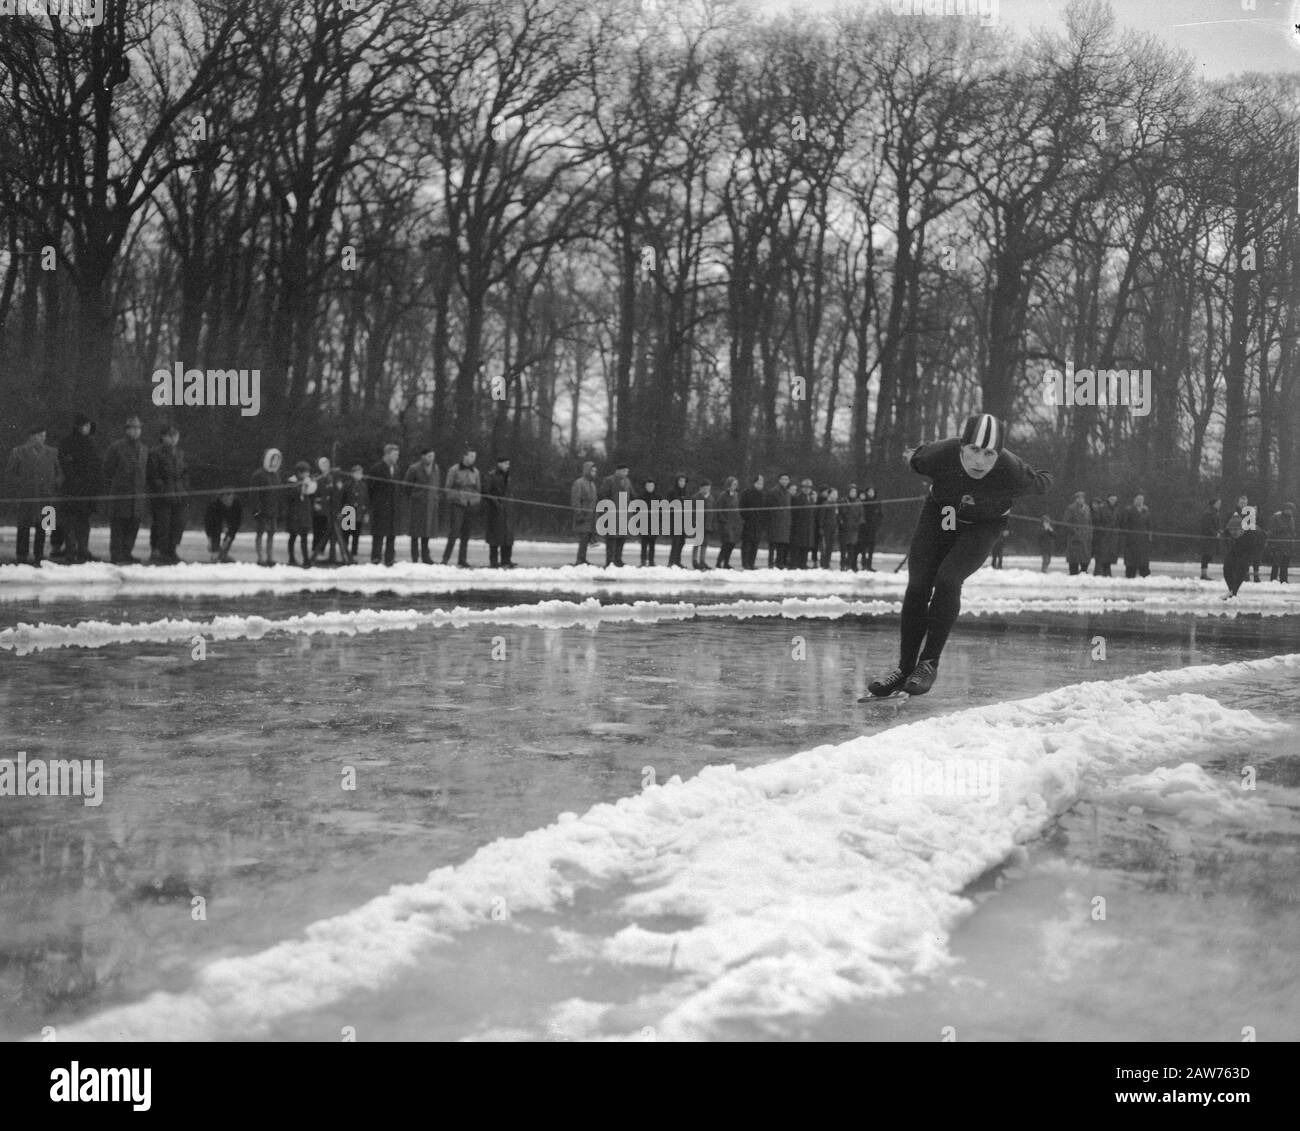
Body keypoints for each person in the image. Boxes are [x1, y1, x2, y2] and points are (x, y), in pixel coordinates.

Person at [865, 413, 1051, 699]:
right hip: (940, 515)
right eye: (973, 450)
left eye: (989, 454)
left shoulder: (1012, 471)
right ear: (961, 447)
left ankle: (928, 664)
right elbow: (914, 457)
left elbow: (1044, 480)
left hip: (983, 526)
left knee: (949, 579)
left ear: (998, 454)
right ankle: (904, 669)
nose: (979, 461)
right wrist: (912, 454)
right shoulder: (938, 454)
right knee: (918, 585)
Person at [6, 424, 62, 565]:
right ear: (32, 436)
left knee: (44, 526)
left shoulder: (52, 452)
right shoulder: (18, 452)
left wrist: (55, 484)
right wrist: (22, 485)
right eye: (39, 435)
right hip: (26, 496)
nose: (42, 439)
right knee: (23, 526)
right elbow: (10, 474)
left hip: (46, 495)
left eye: (44, 436)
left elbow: (60, 473)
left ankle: (39, 554)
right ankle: (21, 555)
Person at [101, 416, 148, 565]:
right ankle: (116, 555)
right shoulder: (116, 448)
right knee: (118, 526)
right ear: (127, 430)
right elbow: (107, 470)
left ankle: (127, 553)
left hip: (137, 494)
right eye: (133, 428)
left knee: (133, 526)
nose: (136, 431)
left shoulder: (144, 449)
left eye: (138, 428)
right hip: (121, 494)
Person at [57, 413, 101, 563]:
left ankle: (83, 549)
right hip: (72, 488)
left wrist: (94, 485)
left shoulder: (91, 443)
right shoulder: (67, 443)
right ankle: (71, 551)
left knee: (84, 521)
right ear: (79, 426)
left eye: (89, 425)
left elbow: (96, 466)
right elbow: (65, 465)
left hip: (87, 489)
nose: (88, 428)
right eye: (86, 425)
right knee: (70, 521)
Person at [146, 425, 187, 564]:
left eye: (176, 436)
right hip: (162, 496)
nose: (174, 439)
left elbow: (184, 473)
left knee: (177, 524)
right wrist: (163, 490)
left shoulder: (180, 453)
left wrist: (183, 488)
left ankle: (171, 550)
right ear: (163, 437)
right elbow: (153, 475)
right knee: (161, 524)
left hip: (178, 494)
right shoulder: (155, 453)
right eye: (170, 436)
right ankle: (158, 551)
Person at [442, 447, 480, 567]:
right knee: (454, 531)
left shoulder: (476, 472)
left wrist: (475, 500)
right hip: (458, 504)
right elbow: (447, 488)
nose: (473, 459)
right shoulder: (454, 469)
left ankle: (462, 559)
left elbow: (478, 489)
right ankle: (445, 558)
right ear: (464, 456)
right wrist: (456, 497)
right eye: (470, 456)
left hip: (470, 504)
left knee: (466, 533)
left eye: (474, 457)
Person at [403, 446, 440, 564]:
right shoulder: (414, 468)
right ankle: (414, 557)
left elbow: (437, 485)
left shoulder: (436, 468)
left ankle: (426, 556)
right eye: (429, 456)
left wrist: (435, 498)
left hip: (430, 504)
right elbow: (406, 486)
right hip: (417, 505)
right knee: (415, 532)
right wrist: (415, 496)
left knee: (427, 532)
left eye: (433, 456)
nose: (431, 459)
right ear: (423, 457)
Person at [1223, 495, 1264, 599]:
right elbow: (1227, 532)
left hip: (1252, 546)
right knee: (1227, 567)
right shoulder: (1233, 520)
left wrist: (1254, 556)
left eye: (1236, 532)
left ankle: (1234, 591)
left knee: (1241, 568)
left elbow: (1259, 541)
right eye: (1232, 532)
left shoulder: (1253, 532)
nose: (1233, 533)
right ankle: (1232, 591)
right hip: (1238, 545)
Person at [251, 448, 285, 566]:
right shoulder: (258, 475)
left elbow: (279, 494)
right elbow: (254, 494)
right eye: (273, 459)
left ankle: (270, 557)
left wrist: (280, 509)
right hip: (262, 510)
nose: (275, 462)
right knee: (260, 533)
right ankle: (260, 557)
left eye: (277, 460)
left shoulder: (276, 475)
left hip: (273, 510)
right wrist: (257, 509)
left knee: (271, 533)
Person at [369, 444, 401, 566]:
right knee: (379, 533)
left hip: (393, 506)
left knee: (391, 534)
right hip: (380, 506)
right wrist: (375, 504)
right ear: (387, 454)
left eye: (397, 455)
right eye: (394, 455)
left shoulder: (397, 469)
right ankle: (376, 557)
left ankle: (389, 558)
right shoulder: (376, 469)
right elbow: (371, 488)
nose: (397, 457)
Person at [598, 461, 633, 567]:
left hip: (624, 515)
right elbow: (603, 495)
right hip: (612, 514)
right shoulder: (609, 480)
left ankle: (618, 559)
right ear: (617, 471)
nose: (625, 473)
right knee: (611, 539)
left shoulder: (627, 481)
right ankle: (609, 561)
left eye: (627, 471)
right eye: (624, 471)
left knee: (621, 538)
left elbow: (632, 494)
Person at [482, 455, 514, 568]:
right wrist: (496, 503)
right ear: (499, 464)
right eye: (505, 464)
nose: (507, 466)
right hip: (495, 511)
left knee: (508, 536)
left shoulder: (508, 476)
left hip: (507, 510)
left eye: (508, 464)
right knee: (495, 538)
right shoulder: (491, 475)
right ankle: (494, 561)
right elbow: (485, 491)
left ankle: (506, 560)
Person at [285, 460, 317, 567]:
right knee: (292, 536)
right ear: (298, 472)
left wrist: (307, 485)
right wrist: (300, 487)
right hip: (294, 514)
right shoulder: (291, 482)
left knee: (304, 537)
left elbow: (311, 491)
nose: (306, 474)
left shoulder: (308, 482)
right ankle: (291, 558)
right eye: (305, 472)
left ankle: (306, 559)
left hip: (304, 514)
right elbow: (290, 496)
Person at [204, 489, 243, 563]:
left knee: (230, 536)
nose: (228, 501)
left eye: (230, 499)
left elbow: (236, 525)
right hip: (216, 521)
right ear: (221, 498)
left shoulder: (237, 504)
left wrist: (228, 539)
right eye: (226, 499)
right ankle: (215, 554)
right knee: (215, 534)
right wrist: (210, 541)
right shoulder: (214, 505)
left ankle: (223, 554)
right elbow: (209, 525)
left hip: (231, 518)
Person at [571, 460, 598, 565]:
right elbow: (575, 500)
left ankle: (583, 558)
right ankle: (580, 559)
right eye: (592, 471)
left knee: (587, 538)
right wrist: (579, 513)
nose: (594, 473)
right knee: (583, 538)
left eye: (595, 471)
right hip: (583, 515)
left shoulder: (593, 484)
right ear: (587, 471)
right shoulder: (579, 483)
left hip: (591, 516)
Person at [339, 465, 368, 564]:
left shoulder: (363, 486)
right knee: (346, 535)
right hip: (348, 512)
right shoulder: (347, 485)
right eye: (357, 473)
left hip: (358, 514)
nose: (359, 475)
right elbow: (342, 499)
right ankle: (345, 554)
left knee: (356, 536)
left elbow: (365, 500)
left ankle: (353, 554)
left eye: (361, 473)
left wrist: (366, 513)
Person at [1121, 493, 1152, 578]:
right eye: (1138, 499)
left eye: (1141, 499)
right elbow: (1124, 524)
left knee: (1143, 561)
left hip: (1143, 540)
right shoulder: (1129, 510)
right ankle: (1130, 576)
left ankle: (1144, 577)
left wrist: (1149, 536)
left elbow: (1149, 525)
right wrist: (1128, 534)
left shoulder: (1146, 511)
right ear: (1134, 500)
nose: (1139, 501)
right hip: (1131, 539)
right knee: (1131, 561)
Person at [789, 478, 817, 569]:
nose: (807, 489)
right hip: (799, 526)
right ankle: (794, 564)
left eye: (809, 487)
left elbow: (813, 512)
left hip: (808, 526)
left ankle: (803, 563)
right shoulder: (797, 498)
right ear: (802, 488)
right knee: (798, 546)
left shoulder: (811, 499)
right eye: (805, 487)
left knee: (805, 546)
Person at [739, 474, 766, 569]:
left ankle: (751, 563)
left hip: (758, 524)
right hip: (749, 523)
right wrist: (747, 518)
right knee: (747, 544)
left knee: (755, 544)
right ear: (754, 483)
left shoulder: (762, 494)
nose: (760, 484)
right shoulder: (747, 493)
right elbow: (742, 508)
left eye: (762, 483)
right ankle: (745, 563)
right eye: (759, 482)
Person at [765, 473, 792, 568]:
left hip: (784, 523)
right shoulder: (773, 492)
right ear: (779, 480)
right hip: (775, 522)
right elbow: (768, 508)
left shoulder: (788, 493)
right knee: (772, 545)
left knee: (782, 545)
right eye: (783, 479)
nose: (784, 481)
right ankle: (771, 563)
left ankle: (779, 563)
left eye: (786, 479)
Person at [716, 476, 742, 568]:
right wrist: (723, 520)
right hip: (726, 524)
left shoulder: (736, 495)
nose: (735, 486)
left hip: (734, 524)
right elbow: (719, 509)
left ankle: (726, 562)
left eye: (736, 484)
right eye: (734, 484)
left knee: (732, 544)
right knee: (726, 544)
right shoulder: (723, 495)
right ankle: (719, 562)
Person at [1064, 490, 1091, 575]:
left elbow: (1090, 522)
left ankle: (1083, 573)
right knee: (1073, 560)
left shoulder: (1087, 508)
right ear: (1076, 499)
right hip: (1074, 538)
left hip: (1085, 538)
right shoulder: (1070, 508)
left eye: (1082, 498)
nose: (1081, 499)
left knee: (1085, 559)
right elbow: (1066, 522)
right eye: (1079, 498)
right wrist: (1075, 532)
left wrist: (1089, 533)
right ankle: (1073, 574)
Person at [665, 472, 690, 568]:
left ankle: (677, 561)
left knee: (682, 541)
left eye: (684, 481)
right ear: (677, 481)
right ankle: (671, 562)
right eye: (680, 480)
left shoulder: (686, 492)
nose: (682, 483)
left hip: (684, 520)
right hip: (674, 520)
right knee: (676, 542)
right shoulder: (672, 492)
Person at [1092, 494, 1120, 577]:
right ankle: (1098, 575)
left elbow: (1118, 522)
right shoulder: (1101, 509)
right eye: (1111, 499)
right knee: (1100, 558)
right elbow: (1097, 521)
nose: (1113, 501)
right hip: (1102, 537)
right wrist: (1103, 530)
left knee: (1108, 558)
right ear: (1108, 499)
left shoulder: (1116, 510)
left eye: (1115, 500)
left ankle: (1107, 573)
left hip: (1112, 537)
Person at [1269, 502, 1295, 583]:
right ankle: (1273, 580)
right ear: (1285, 509)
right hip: (1278, 544)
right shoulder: (1276, 517)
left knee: (1285, 564)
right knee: (1276, 564)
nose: (1290, 511)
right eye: (1289, 509)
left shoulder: (1291, 519)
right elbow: (1273, 530)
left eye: (1291, 510)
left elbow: (1292, 530)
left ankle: (1284, 580)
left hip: (1287, 544)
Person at [638, 476, 661, 566]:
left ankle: (651, 561)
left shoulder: (658, 497)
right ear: (645, 486)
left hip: (654, 523)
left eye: (651, 486)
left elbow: (661, 511)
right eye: (648, 486)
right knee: (644, 544)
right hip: (644, 523)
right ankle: (643, 561)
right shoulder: (641, 497)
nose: (650, 488)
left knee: (652, 544)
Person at [839, 485, 863, 571]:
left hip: (854, 529)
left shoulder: (858, 502)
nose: (853, 493)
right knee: (843, 549)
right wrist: (841, 521)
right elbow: (840, 513)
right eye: (851, 491)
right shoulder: (843, 501)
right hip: (844, 528)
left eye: (854, 492)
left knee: (851, 549)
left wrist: (858, 524)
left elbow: (861, 515)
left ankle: (849, 565)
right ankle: (842, 565)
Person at [859, 485, 883, 571]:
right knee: (863, 547)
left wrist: (878, 525)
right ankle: (863, 564)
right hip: (864, 528)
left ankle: (869, 564)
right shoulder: (863, 502)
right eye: (869, 491)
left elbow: (880, 515)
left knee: (871, 548)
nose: (871, 493)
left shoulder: (877, 502)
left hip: (873, 528)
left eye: (872, 491)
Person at [692, 480, 713, 569]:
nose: (706, 490)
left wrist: (711, 524)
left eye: (708, 488)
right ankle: (694, 560)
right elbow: (692, 512)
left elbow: (712, 512)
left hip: (708, 525)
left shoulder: (711, 498)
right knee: (697, 543)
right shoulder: (695, 498)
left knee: (705, 543)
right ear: (701, 488)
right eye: (704, 488)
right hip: (698, 524)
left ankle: (702, 560)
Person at [817, 486, 840, 569]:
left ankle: (828, 562)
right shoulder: (825, 504)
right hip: (826, 528)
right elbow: (821, 517)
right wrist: (821, 527)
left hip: (833, 528)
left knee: (830, 546)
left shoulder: (836, 505)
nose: (835, 495)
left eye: (836, 494)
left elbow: (837, 517)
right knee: (824, 547)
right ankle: (823, 563)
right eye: (833, 494)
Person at [1199, 497, 1221, 581]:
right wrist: (1215, 533)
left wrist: (1218, 531)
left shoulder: (1214, 513)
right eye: (1218, 503)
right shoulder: (1208, 513)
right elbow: (1207, 526)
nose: (1220, 505)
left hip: (1211, 538)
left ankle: (1204, 574)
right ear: (1214, 504)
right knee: (1206, 555)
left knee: (1208, 555)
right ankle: (1203, 574)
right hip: (1207, 538)